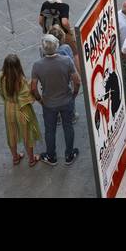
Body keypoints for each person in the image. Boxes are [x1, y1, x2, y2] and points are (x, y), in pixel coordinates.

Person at [31, 33, 81, 166]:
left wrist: (40, 100)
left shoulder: (37, 65)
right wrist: (74, 95)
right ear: (57, 45)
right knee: (68, 127)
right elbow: (77, 81)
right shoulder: (66, 61)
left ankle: (51, 156)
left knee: (50, 130)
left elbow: (34, 88)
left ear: (43, 48)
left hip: (48, 103)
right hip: (66, 100)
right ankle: (69, 155)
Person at [0, 54, 40, 166]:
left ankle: (15, 158)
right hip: (22, 110)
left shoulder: (0, 76)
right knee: (27, 135)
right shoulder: (21, 80)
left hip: (8, 108)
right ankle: (31, 160)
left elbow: (1, 93)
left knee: (11, 133)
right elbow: (28, 97)